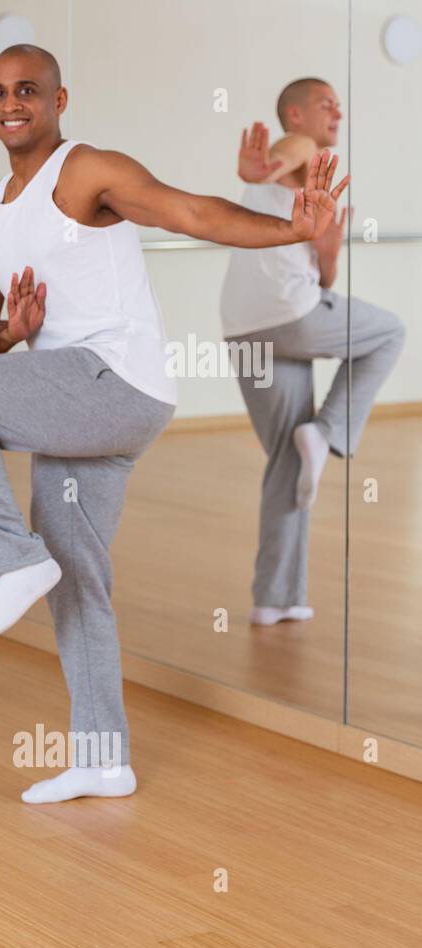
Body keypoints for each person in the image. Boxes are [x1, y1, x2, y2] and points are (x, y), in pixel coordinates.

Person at [0, 45, 347, 804]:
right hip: (82, 406)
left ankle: (12, 559)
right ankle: (102, 759)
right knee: (76, 578)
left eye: (28, 91)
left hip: (111, 382)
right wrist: (12, 330)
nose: (12, 104)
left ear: (59, 98)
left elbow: (192, 211)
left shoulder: (86, 170)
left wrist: (291, 231)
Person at [223, 85, 405, 627]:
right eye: (327, 104)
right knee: (390, 332)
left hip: (243, 327)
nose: (338, 111)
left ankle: (275, 598)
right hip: (289, 313)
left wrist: (328, 252)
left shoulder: (304, 185)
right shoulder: (299, 147)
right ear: (295, 114)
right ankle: (327, 432)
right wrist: (262, 169)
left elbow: (323, 275)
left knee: (288, 457)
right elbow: (288, 156)